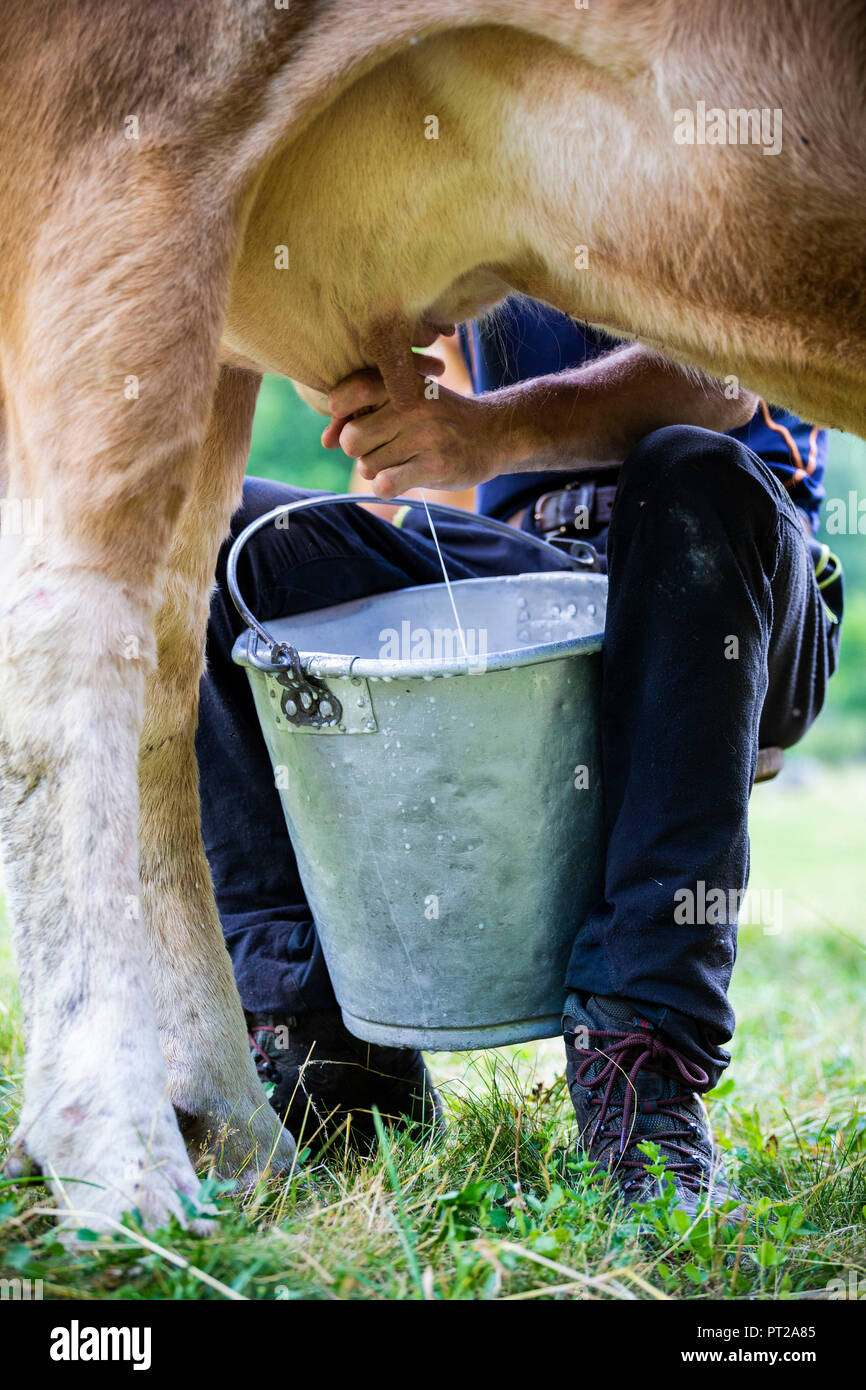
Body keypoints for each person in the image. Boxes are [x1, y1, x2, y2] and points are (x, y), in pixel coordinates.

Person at [195, 301, 842, 1210]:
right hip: (538, 563)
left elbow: (720, 387)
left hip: (744, 575)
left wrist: (485, 434)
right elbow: (387, 357)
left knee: (690, 469)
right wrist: (344, 363)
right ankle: (324, 1038)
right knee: (221, 536)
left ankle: (640, 1056)